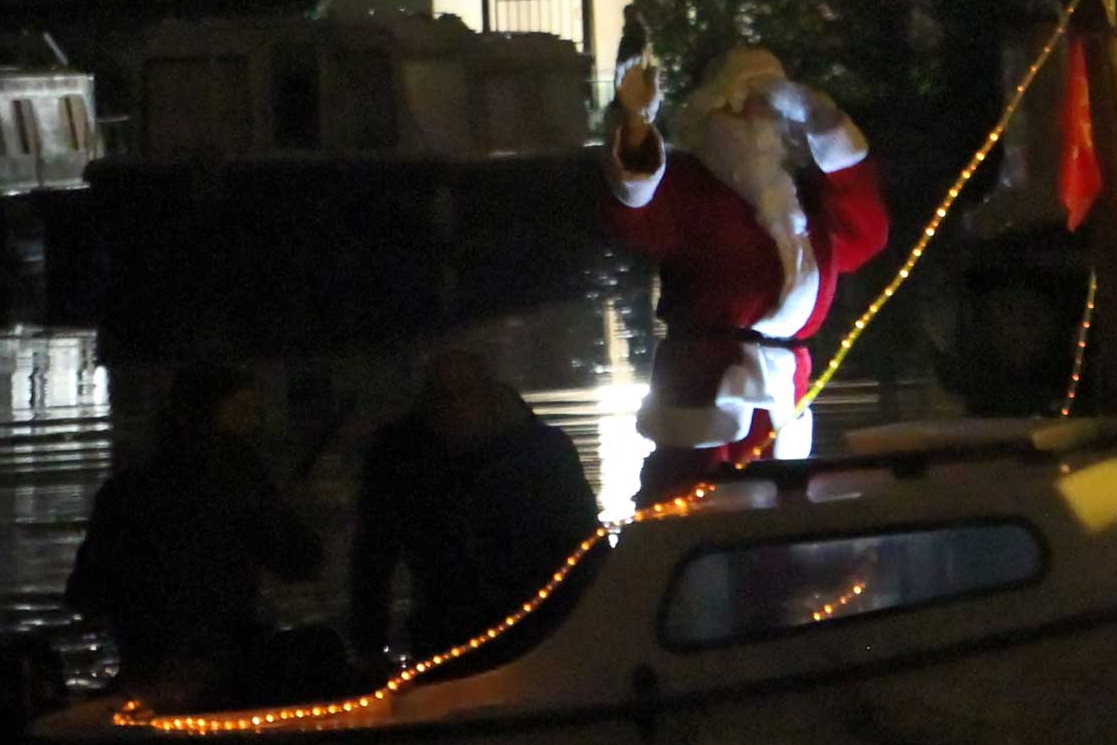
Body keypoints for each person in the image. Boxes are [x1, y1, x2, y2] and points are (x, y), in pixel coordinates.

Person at [600, 43, 890, 500]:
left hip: (783, 390)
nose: (760, 115)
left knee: (781, 516)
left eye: (772, 103)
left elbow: (864, 237)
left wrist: (830, 128)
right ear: (717, 107)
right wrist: (635, 124)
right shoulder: (690, 184)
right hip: (706, 387)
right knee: (692, 511)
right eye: (746, 100)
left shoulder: (801, 197)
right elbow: (636, 212)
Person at [65, 363, 324, 708]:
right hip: (222, 667)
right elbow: (302, 562)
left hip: (146, 666)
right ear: (208, 417)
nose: (253, 426)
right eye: (243, 412)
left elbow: (84, 595)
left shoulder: (124, 490)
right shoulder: (238, 485)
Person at [348, 347, 602, 671]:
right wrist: (369, 650)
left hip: (536, 634)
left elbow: (585, 549)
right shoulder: (401, 463)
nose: (454, 409)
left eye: (463, 395)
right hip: (446, 638)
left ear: (486, 396)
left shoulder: (543, 454)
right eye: (443, 398)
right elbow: (372, 560)